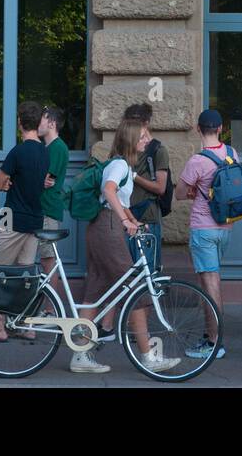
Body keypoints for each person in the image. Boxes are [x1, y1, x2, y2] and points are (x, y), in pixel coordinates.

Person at [73, 118, 181, 374]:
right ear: (132, 140)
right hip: (108, 229)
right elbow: (109, 192)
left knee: (95, 291)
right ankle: (148, 357)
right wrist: (124, 220)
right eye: (143, 137)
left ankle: (80, 355)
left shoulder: (122, 166)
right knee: (134, 289)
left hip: (103, 228)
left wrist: (133, 220)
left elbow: (121, 201)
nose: (147, 140)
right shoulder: (120, 165)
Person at [0, 101, 49, 344]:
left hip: (12, 219)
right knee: (24, 275)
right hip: (35, 220)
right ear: (38, 124)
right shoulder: (45, 152)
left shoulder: (18, 152)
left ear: (19, 123)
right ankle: (26, 326)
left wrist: (7, 182)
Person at [178, 108, 237, 361]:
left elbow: (179, 193)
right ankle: (211, 336)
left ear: (198, 129)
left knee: (210, 286)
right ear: (221, 128)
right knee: (212, 283)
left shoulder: (197, 161)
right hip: (225, 228)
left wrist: (193, 190)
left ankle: (214, 343)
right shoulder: (233, 154)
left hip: (204, 229)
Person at [123, 104, 167, 273]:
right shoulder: (125, 150)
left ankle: (148, 301)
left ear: (146, 123)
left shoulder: (158, 150)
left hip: (147, 217)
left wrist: (134, 176)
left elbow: (160, 188)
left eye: (137, 123)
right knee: (128, 272)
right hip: (126, 218)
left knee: (148, 273)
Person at [37, 106, 70, 277]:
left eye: (41, 119)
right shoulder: (47, 147)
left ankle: (51, 305)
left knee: (48, 259)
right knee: (45, 258)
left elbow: (46, 181)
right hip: (42, 209)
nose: (37, 123)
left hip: (48, 210)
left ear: (51, 123)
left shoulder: (57, 147)